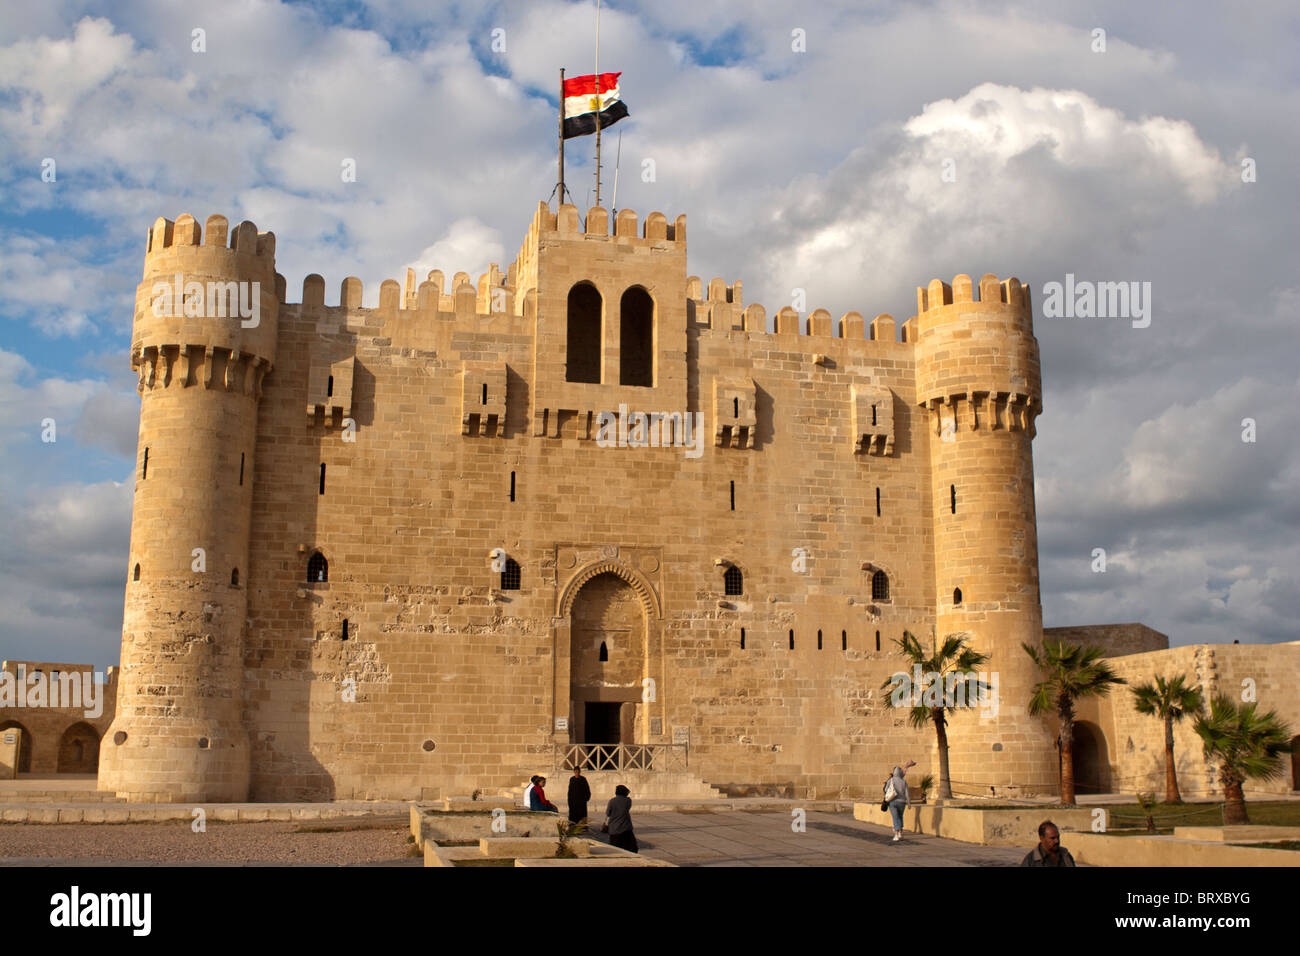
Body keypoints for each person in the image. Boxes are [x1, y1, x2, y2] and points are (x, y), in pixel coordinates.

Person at [602, 784, 638, 853]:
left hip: (614, 829)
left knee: (615, 849)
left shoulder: (612, 801)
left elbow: (608, 813)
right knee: (630, 848)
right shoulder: (628, 801)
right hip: (626, 828)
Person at [884, 764, 911, 842]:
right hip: (902, 802)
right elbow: (907, 793)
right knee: (900, 816)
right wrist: (909, 803)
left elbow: (886, 789)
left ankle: (896, 834)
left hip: (893, 801)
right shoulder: (903, 782)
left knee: (895, 817)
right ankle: (900, 832)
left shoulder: (891, 780)